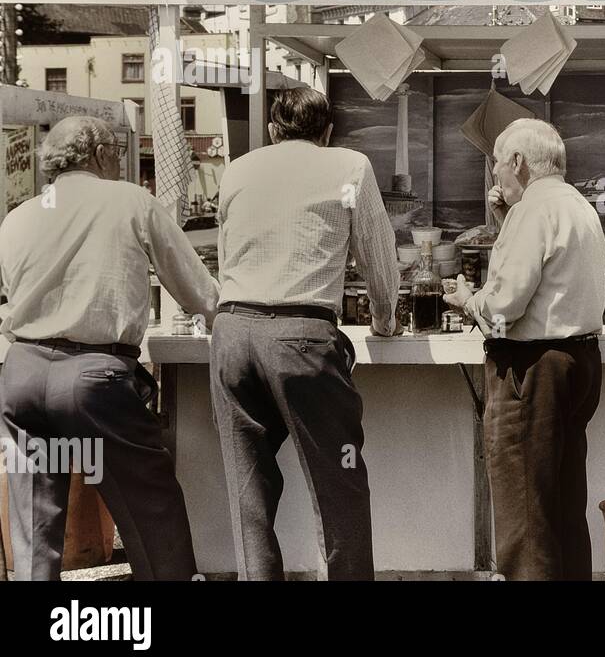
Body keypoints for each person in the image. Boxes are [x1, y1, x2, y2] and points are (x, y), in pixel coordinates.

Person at [0, 116, 218, 580]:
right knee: (148, 503)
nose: (121, 163)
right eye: (117, 153)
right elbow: (199, 294)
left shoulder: (17, 216)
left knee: (35, 521)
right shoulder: (130, 201)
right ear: (98, 154)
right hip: (93, 376)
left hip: (20, 373)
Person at [210, 87, 400, 581]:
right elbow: (378, 259)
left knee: (248, 490)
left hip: (232, 333)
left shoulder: (238, 169)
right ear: (328, 133)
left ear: (273, 131)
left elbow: (228, 254)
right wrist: (384, 320)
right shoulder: (349, 166)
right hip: (303, 338)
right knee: (339, 485)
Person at [443, 119, 605, 581]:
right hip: (579, 361)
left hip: (532, 370)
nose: (494, 173)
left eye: (496, 161)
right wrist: (505, 220)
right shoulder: (578, 205)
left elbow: (503, 307)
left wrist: (466, 300)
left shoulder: (532, 210)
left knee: (525, 518)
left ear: (518, 162)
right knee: (562, 509)